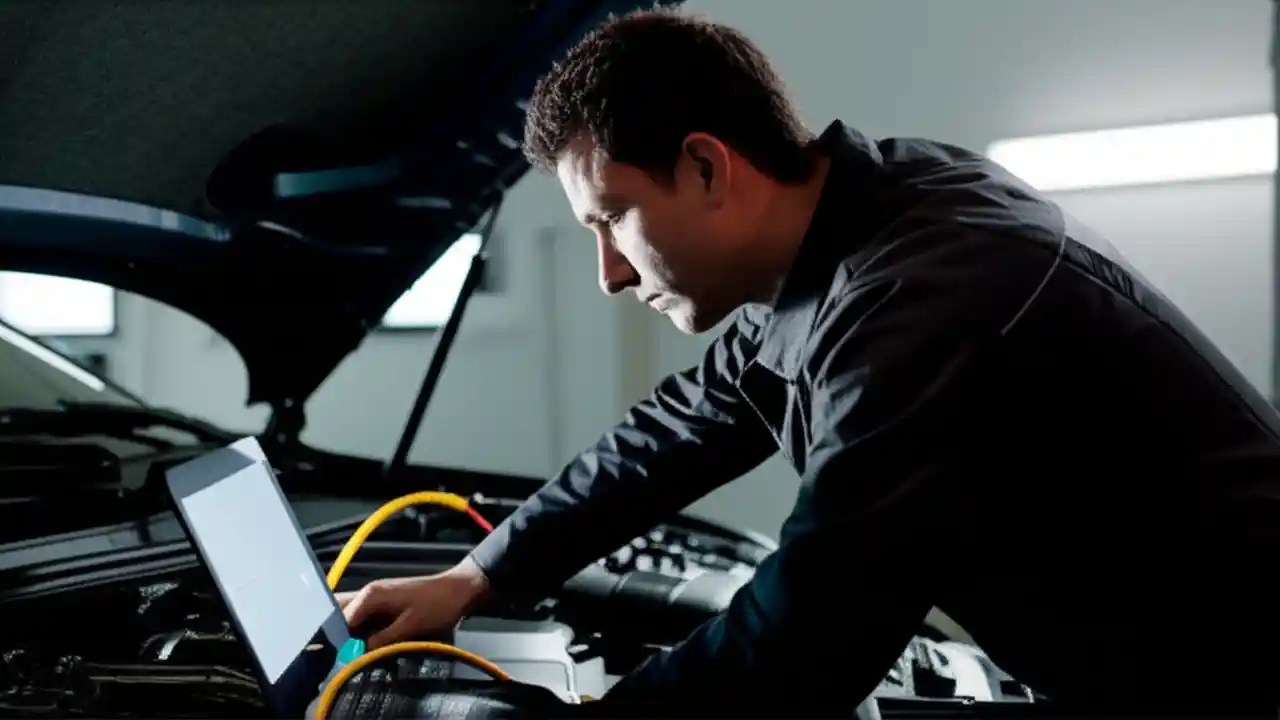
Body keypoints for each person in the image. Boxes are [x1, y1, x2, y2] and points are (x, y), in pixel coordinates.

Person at [337, 7, 1280, 718]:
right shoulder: (873, 218)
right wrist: (479, 577)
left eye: (613, 219)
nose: (610, 275)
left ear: (706, 168)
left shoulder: (925, 299)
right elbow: (687, 423)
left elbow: (807, 635)